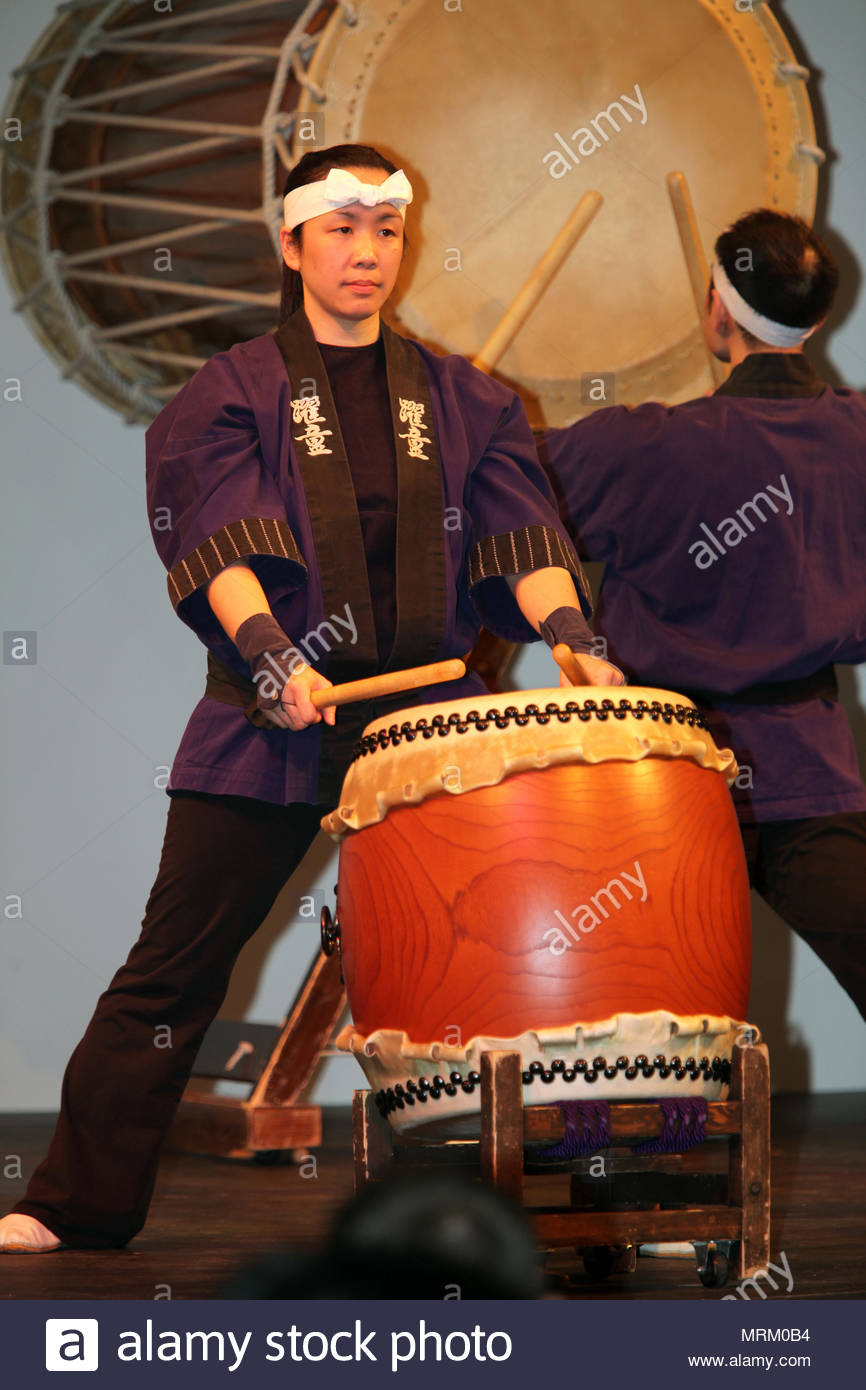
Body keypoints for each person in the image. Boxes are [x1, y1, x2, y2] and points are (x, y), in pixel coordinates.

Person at [0, 143, 620, 1253]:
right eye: (342, 230)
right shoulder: (231, 390)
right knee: (176, 964)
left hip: (428, 722)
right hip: (277, 708)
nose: (368, 252)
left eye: (385, 230)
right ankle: (70, 1200)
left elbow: (524, 540)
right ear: (291, 246)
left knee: (505, 955)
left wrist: (572, 636)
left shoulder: (462, 396)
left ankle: (557, 1195)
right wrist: (278, 660)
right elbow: (218, 544)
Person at [538, 208, 866, 1021]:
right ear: (817, 314)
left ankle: (645, 1146)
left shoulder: (641, 447)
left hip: (659, 771)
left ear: (717, 309)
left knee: (642, 1026)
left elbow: (510, 510)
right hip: (806, 763)